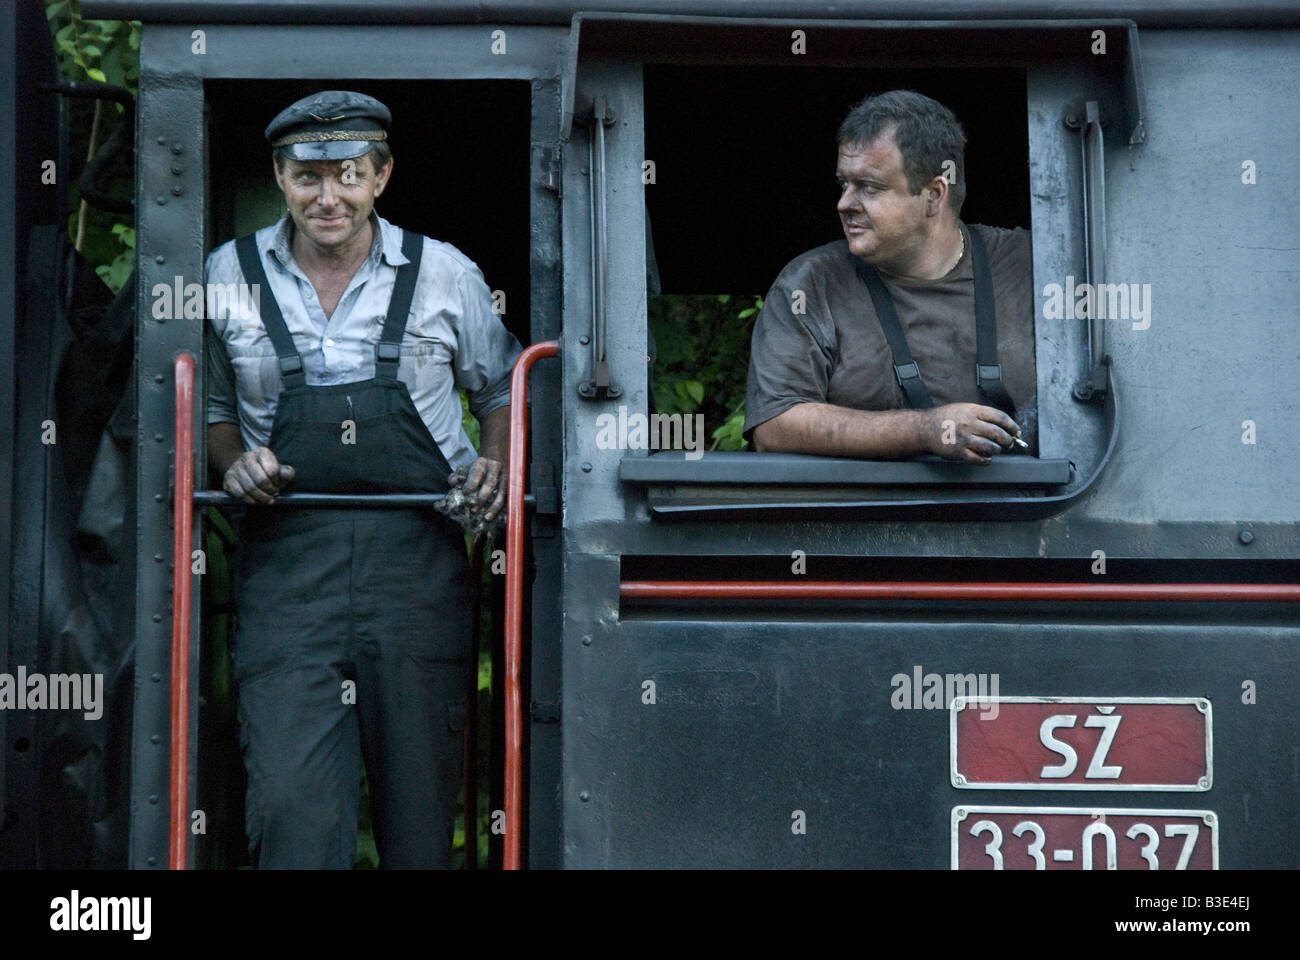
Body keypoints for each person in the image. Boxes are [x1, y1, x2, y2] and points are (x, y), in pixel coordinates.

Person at [204, 90, 521, 868]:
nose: (328, 197)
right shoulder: (228, 273)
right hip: (287, 573)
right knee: (291, 814)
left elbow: (504, 389)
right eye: (308, 176)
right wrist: (233, 461)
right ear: (280, 176)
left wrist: (496, 462)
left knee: (419, 818)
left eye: (348, 175)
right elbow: (209, 408)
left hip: (418, 568)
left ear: (381, 176)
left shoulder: (444, 272)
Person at [744, 90, 1036, 464]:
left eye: (869, 186)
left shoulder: (1034, 263)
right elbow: (774, 425)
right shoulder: (809, 283)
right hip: (859, 505)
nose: (844, 203)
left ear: (934, 195)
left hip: (1035, 503)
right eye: (844, 184)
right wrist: (925, 430)